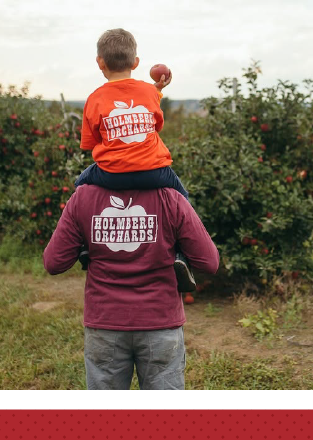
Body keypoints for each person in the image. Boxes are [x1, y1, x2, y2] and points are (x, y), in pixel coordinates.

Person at [42, 184, 218, 390]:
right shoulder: (170, 198)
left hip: (105, 325)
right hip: (160, 323)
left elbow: (54, 263)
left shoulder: (83, 198)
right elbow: (209, 262)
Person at [73, 28, 197, 291]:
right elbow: (156, 123)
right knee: (183, 198)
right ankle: (182, 255)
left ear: (100, 63)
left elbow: (90, 144)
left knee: (80, 186)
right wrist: (156, 90)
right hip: (154, 171)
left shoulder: (94, 99)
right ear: (136, 63)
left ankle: (84, 245)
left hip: (111, 173)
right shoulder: (148, 92)